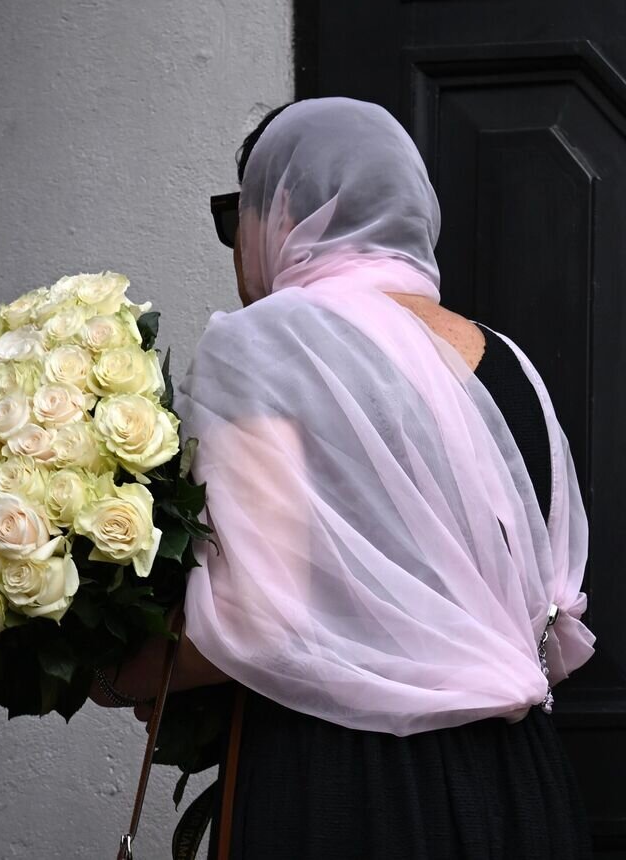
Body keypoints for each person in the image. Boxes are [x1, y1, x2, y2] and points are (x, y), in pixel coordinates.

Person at [89, 97, 596, 858]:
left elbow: (260, 616)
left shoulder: (270, 343)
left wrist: (109, 667)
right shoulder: (510, 361)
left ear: (286, 207)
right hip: (521, 786)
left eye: (243, 214)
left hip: (349, 788)